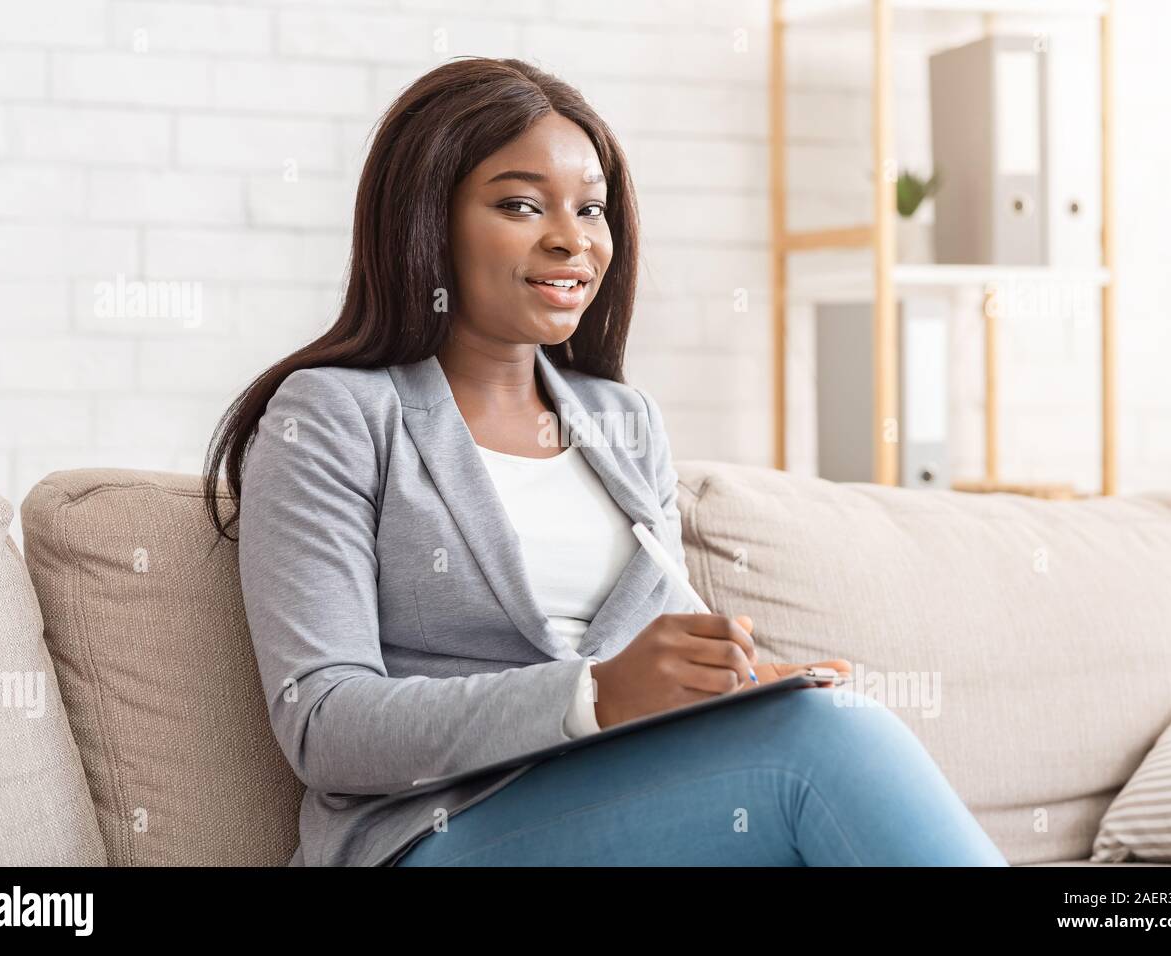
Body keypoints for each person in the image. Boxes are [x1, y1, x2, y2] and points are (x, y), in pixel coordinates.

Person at [203, 56, 1008, 867]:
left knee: (822, 726)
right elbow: (325, 724)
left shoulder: (624, 422)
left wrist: (734, 683)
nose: (571, 238)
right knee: (825, 750)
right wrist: (592, 695)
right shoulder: (334, 416)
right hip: (437, 835)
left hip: (634, 803)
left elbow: (661, 649)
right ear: (425, 219)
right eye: (521, 204)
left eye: (591, 208)